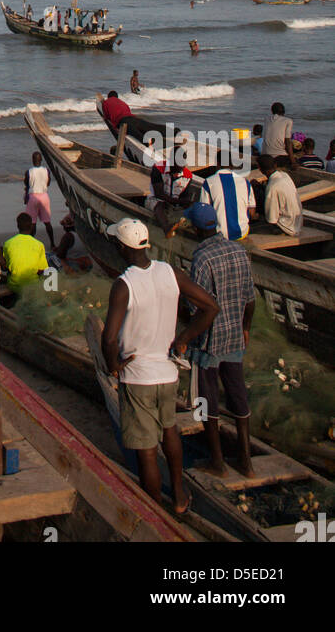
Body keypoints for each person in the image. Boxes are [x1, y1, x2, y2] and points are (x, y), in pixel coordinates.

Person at [101, 218, 218, 515]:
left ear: (122, 247)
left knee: (147, 452)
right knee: (170, 432)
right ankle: (179, 496)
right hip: (167, 373)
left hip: (139, 376)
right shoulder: (170, 272)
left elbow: (110, 337)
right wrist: (183, 340)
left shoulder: (124, 284)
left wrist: (113, 366)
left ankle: (154, 514)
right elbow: (210, 307)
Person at [184, 203, 255, 478]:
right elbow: (250, 298)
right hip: (235, 337)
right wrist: (245, 328)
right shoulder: (239, 251)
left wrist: (184, 336)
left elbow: (197, 308)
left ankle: (217, 462)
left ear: (196, 229)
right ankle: (246, 462)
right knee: (238, 395)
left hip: (209, 342)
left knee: (206, 400)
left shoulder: (202, 259)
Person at [196, 156, 256, 241]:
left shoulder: (208, 182)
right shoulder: (245, 182)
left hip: (219, 234)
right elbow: (252, 212)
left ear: (217, 164)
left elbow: (205, 213)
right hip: (242, 233)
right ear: (232, 165)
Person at [0, 214, 48, 306]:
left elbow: (7, 266)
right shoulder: (39, 245)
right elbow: (42, 270)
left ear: (18, 226)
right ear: (31, 226)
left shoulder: (8, 243)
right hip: (33, 285)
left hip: (14, 285)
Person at [259, 159, 303, 236]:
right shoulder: (285, 175)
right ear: (275, 165)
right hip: (297, 223)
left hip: (287, 226)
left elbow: (271, 219)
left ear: (260, 170)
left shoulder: (272, 186)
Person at [23, 151, 55, 249]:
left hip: (33, 196)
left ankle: (32, 243)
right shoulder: (46, 170)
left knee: (32, 222)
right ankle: (52, 243)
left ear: (33, 160)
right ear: (41, 160)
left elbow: (26, 184)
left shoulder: (29, 171)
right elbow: (48, 183)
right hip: (44, 196)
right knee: (47, 222)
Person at [259, 102, 294, 171]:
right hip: (278, 157)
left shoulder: (266, 119)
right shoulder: (288, 121)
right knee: (295, 160)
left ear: (272, 111)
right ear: (283, 112)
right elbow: (287, 141)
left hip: (265, 155)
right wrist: (293, 161)